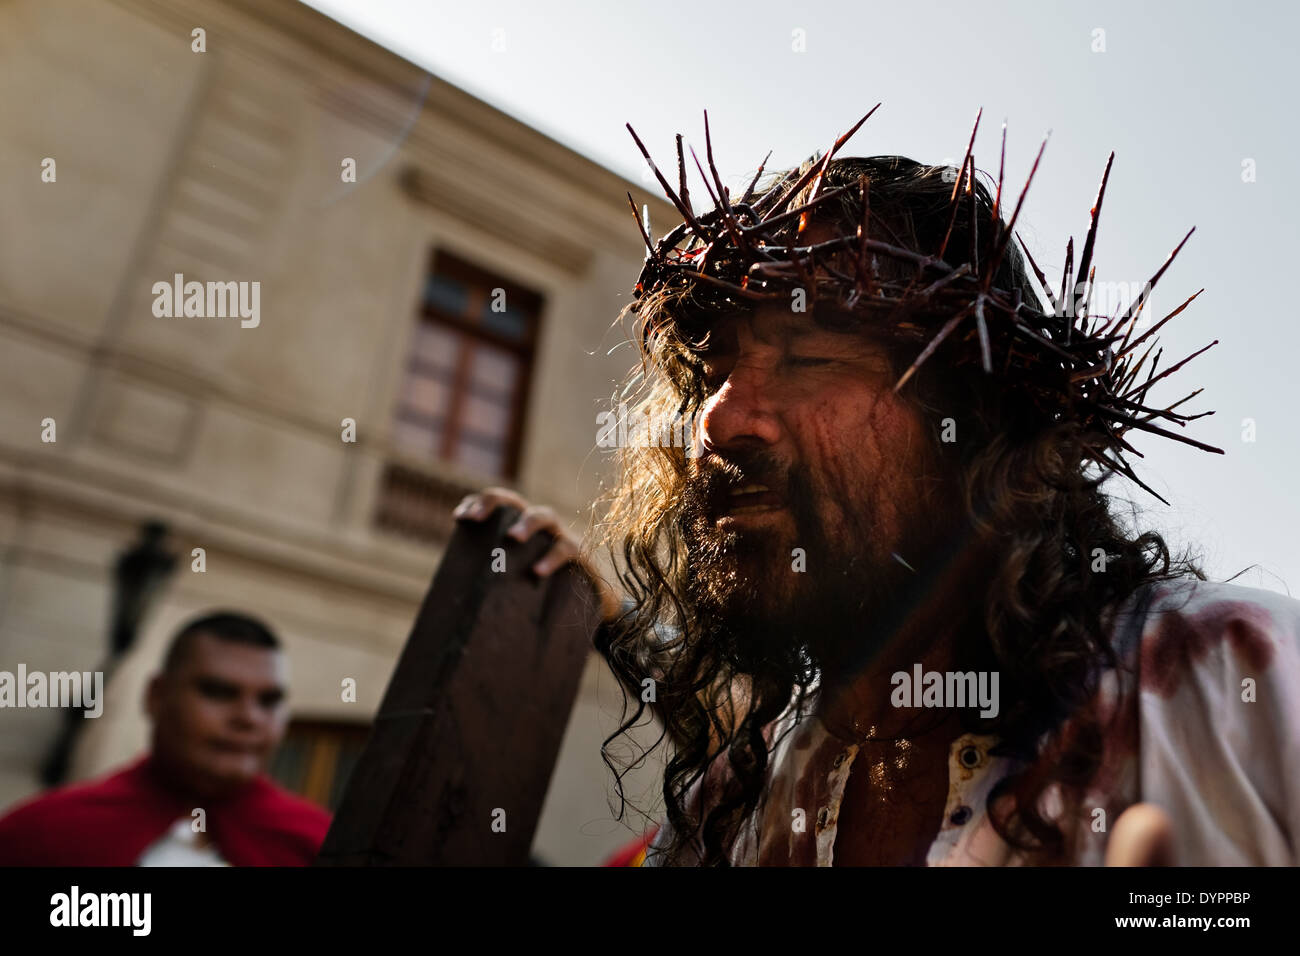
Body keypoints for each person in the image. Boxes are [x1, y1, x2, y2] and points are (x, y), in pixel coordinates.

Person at [457, 112, 1300, 867]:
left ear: (973, 421)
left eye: (809, 356)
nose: (718, 419)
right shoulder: (731, 811)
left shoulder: (1233, 683)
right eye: (714, 370)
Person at [0, 611, 330, 865]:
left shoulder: (322, 846)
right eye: (218, 692)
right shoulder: (43, 834)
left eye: (269, 701)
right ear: (157, 696)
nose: (249, 718)